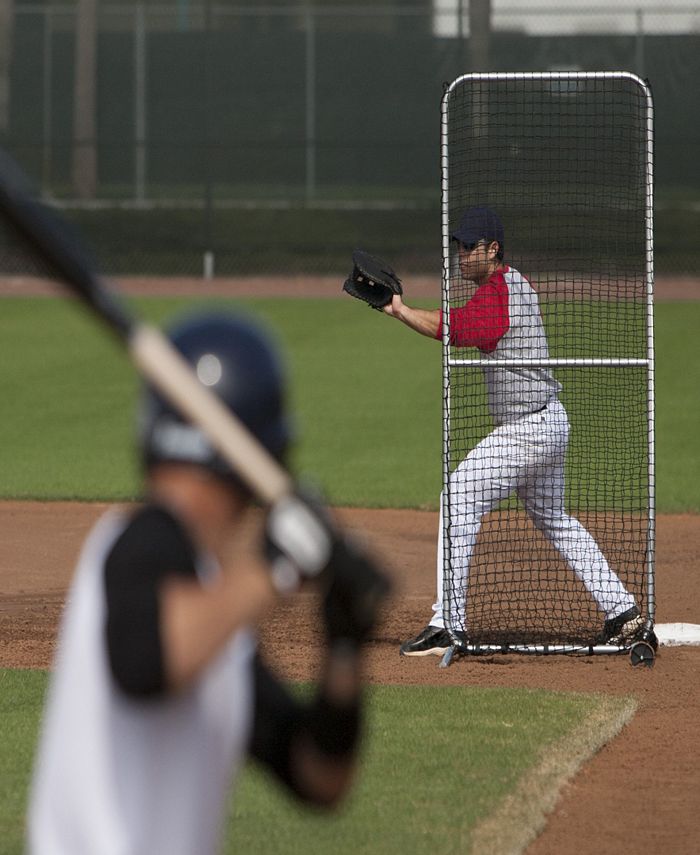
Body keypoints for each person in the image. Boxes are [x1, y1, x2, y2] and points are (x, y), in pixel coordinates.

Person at [27, 311, 389, 855]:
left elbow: (318, 779)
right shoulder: (138, 542)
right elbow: (145, 662)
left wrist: (343, 649)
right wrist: (275, 564)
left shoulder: (214, 611)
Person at [381, 206, 643, 656]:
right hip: (550, 422)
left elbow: (458, 329)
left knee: (459, 495)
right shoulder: (514, 282)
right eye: (459, 247)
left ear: (493, 249)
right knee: (554, 518)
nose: (461, 256)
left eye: (470, 247)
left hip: (528, 432)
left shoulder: (498, 294)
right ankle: (622, 610)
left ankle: (449, 622)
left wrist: (399, 310)